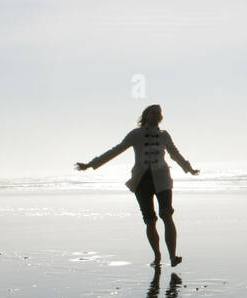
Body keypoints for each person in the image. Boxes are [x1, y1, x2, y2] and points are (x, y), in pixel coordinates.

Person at [75, 104, 199, 266]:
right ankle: (157, 256)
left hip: (162, 179)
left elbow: (175, 153)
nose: (155, 115)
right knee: (150, 220)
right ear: (145, 116)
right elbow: (115, 150)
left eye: (158, 113)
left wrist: (188, 169)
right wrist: (91, 164)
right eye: (152, 113)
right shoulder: (135, 134)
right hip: (142, 181)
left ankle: (173, 256)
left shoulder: (164, 135)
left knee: (167, 215)